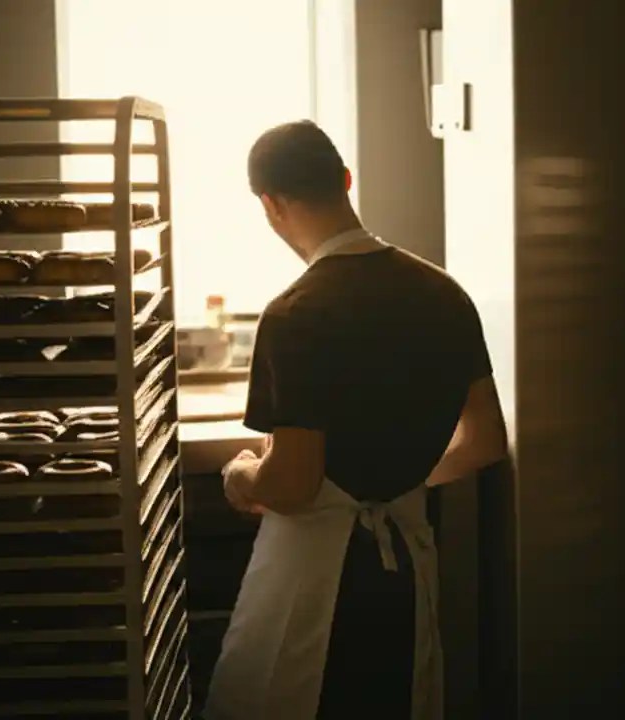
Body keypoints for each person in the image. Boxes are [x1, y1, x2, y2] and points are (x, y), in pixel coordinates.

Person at [203, 121, 508, 720]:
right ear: (346, 181)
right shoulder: (446, 294)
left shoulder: (294, 313)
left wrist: (241, 477)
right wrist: (397, 486)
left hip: (321, 576)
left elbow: (292, 483)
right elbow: (485, 442)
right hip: (404, 570)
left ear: (269, 205)